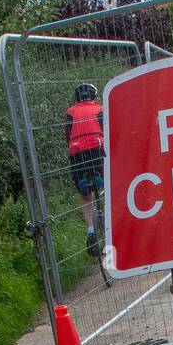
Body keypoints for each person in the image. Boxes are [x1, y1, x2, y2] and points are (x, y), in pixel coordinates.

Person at [64, 82, 104, 256]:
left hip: (77, 152)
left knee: (85, 196)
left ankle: (90, 232)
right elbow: (108, 131)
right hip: (97, 148)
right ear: (94, 96)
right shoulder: (100, 109)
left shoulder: (69, 112)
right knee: (108, 187)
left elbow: (68, 135)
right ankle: (111, 229)